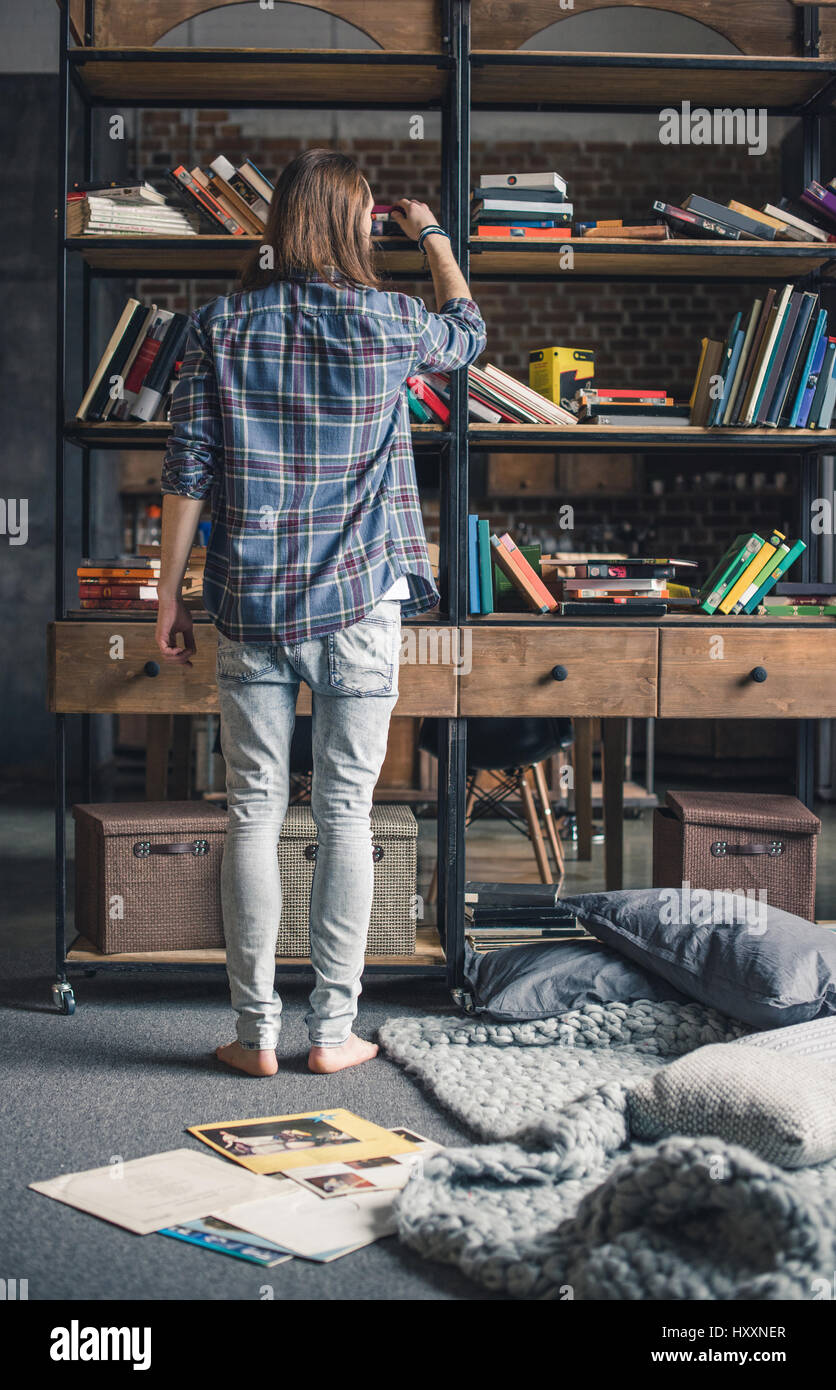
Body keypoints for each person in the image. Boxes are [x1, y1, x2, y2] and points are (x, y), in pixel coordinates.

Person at [155, 148, 486, 1078]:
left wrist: (167, 597)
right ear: (357, 225)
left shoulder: (217, 326)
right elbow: (469, 333)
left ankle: (254, 1035)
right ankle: (332, 1035)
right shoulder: (391, 321)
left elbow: (187, 474)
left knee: (253, 811)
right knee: (346, 812)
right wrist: (430, 232)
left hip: (251, 605)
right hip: (358, 607)